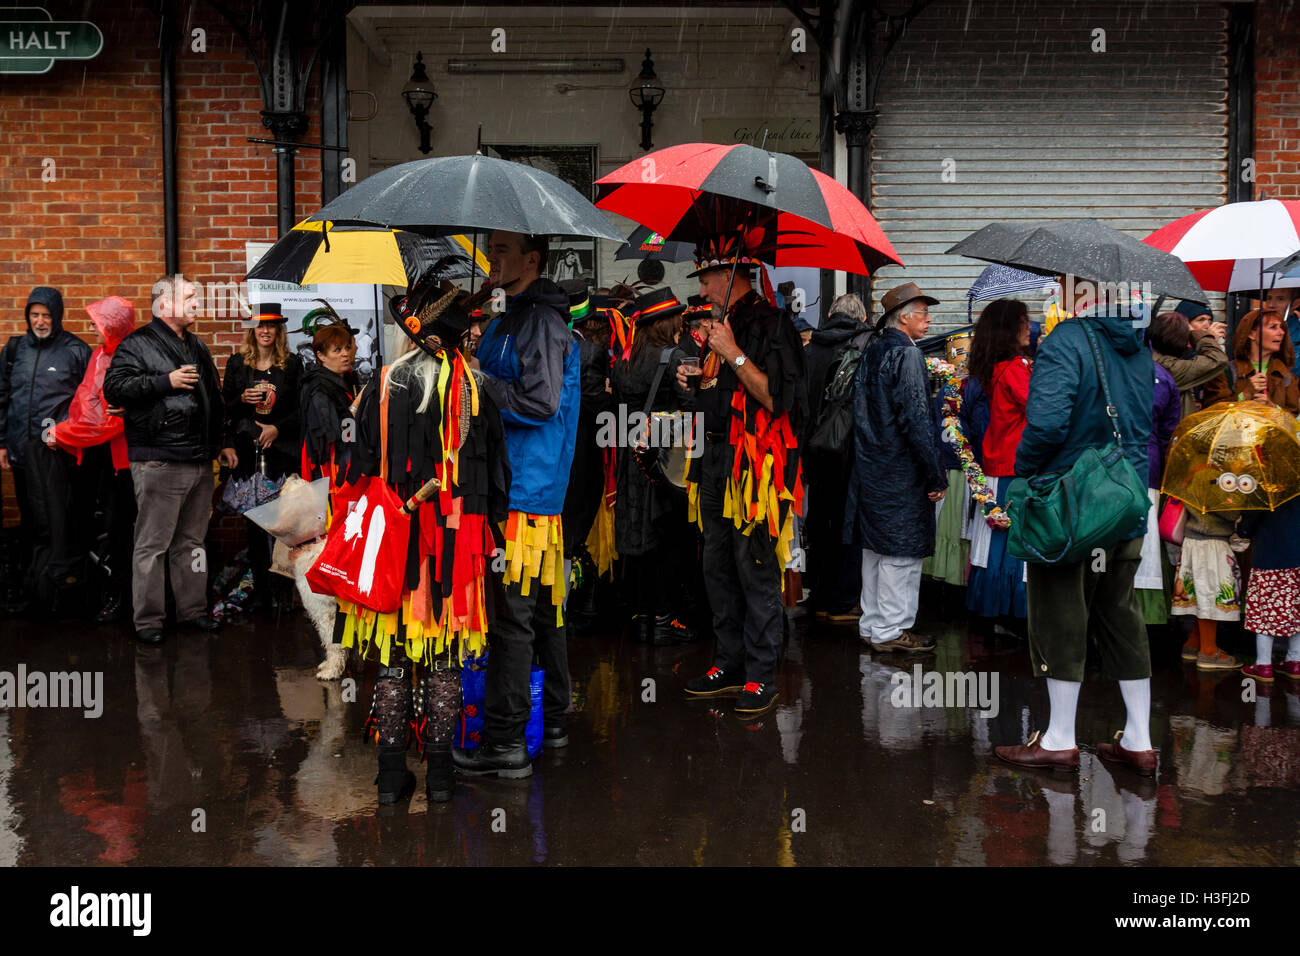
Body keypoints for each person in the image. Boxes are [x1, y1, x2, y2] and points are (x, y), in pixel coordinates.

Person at [341, 279, 509, 805]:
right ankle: (440, 777)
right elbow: (497, 475)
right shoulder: (477, 390)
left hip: (395, 544)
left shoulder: (383, 383)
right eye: (471, 325)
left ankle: (391, 778)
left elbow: (359, 467)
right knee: (445, 660)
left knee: (392, 656)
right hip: (458, 546)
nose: (477, 330)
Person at [994, 275, 1156, 775]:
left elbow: (1046, 423)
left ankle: (1060, 738)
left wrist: (1024, 470)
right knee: (1121, 615)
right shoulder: (1137, 346)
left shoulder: (1066, 340)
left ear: (1076, 295)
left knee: (1061, 613)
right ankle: (1138, 740)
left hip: (1070, 499)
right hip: (1124, 499)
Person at [454, 230, 580, 779]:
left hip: (527, 492)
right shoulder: (509, 315)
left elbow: (540, 402)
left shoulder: (542, 322)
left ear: (532, 260)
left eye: (502, 251)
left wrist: (479, 382)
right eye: (492, 250)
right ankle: (551, 719)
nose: (492, 259)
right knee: (542, 611)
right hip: (517, 485)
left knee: (512, 619)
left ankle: (505, 743)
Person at [677, 233, 806, 717]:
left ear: (728, 276)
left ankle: (760, 674)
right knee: (717, 568)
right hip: (712, 465)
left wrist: (730, 351)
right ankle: (729, 663)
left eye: (706, 278)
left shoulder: (772, 325)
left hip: (754, 472)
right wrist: (695, 380)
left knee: (754, 570)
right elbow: (721, 394)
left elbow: (777, 398)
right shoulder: (719, 326)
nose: (703, 288)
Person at [103, 275, 232, 645]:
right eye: (189, 297)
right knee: (152, 545)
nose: (196, 303)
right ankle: (148, 620)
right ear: (164, 303)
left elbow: (213, 398)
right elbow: (114, 388)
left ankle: (193, 612)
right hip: (160, 458)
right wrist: (165, 381)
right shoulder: (138, 343)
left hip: (199, 459)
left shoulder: (196, 346)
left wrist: (219, 442)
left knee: (193, 544)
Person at [845, 282, 944, 654]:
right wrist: (934, 474)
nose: (929, 319)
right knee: (901, 555)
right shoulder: (907, 355)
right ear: (903, 317)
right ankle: (891, 629)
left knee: (876, 551)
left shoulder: (873, 349)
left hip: (872, 467)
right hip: (901, 470)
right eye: (922, 312)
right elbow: (917, 419)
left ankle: (873, 624)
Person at [46, 296, 138, 623]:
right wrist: (69, 433)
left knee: (120, 532)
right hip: (93, 458)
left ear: (112, 326)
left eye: (97, 323)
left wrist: (64, 434)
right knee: (86, 526)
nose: (90, 328)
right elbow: (84, 403)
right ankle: (91, 594)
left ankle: (120, 600)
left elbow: (110, 422)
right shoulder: (98, 355)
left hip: (119, 463)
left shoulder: (126, 360)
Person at [611, 288, 695, 644]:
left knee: (637, 534)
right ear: (668, 322)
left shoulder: (624, 362)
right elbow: (691, 413)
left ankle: (641, 612)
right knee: (665, 537)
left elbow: (615, 412)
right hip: (663, 463)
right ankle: (665, 617)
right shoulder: (675, 358)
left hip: (629, 459)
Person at [0, 286, 92, 611]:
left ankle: (60, 592)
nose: (40, 321)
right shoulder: (15, 351)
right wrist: (2, 444)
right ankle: (31, 590)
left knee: (58, 522)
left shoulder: (77, 351)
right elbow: (3, 398)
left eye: (46, 315)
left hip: (57, 456)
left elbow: (86, 402)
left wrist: (66, 433)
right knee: (29, 524)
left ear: (58, 316)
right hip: (20, 453)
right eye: (34, 315)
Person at [221, 303, 303, 610]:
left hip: (281, 457)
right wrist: (241, 398)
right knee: (254, 527)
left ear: (278, 330)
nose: (265, 331)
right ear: (252, 330)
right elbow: (225, 410)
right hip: (248, 457)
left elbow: (300, 410)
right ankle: (261, 592)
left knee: (283, 526)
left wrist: (277, 429)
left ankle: (283, 593)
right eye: (259, 326)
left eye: (270, 326)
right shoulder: (237, 364)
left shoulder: (292, 365)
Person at [803, 293, 870, 621]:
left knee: (817, 519)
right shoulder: (862, 348)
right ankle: (843, 600)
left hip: (813, 451)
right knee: (847, 524)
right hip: (848, 450)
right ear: (862, 318)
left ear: (829, 314)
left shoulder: (810, 349)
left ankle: (817, 593)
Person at [964, 299, 1031, 623]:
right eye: (1024, 321)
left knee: (991, 543)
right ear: (1011, 328)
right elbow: (1039, 408)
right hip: (1012, 468)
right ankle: (1010, 611)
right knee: (1010, 544)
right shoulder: (1016, 368)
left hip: (995, 464)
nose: (1029, 328)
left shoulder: (995, 368)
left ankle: (989, 607)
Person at [1134, 360, 1181, 627]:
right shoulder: (1161, 376)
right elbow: (1168, 433)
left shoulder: (1098, 365)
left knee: (1104, 550)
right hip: (1147, 469)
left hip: (1101, 470)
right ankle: (1145, 618)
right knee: (1145, 546)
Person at [1238, 497, 1300, 682]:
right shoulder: (1295, 485)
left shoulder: (1265, 490)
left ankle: (1263, 665)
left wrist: (1243, 528)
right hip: (1297, 559)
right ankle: (1295, 661)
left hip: (1269, 560)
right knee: (1297, 609)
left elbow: (1247, 526)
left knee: (1264, 611)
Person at [299, 318, 359, 483]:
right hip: (330, 467)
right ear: (321, 355)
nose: (345, 353)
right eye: (337, 350)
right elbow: (336, 435)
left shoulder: (348, 379)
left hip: (349, 460)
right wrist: (355, 407)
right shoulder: (318, 388)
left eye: (347, 348)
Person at [1151, 309, 1230, 418]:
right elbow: (1217, 359)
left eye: (1209, 320)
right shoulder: (1170, 368)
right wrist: (1201, 336)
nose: (1207, 325)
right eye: (1200, 320)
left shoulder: (1152, 357)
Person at [1227, 309, 1299, 415]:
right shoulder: (1228, 371)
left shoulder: (1287, 377)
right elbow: (1213, 413)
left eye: (1281, 327)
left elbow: (1293, 419)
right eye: (1273, 327)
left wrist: (1272, 408)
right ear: (1251, 334)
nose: (1281, 332)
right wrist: (1246, 395)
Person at [1261, 287, 1300, 378]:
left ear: (1295, 304)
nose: (1271, 305)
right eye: (1269, 298)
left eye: (1280, 299)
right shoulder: (1256, 330)